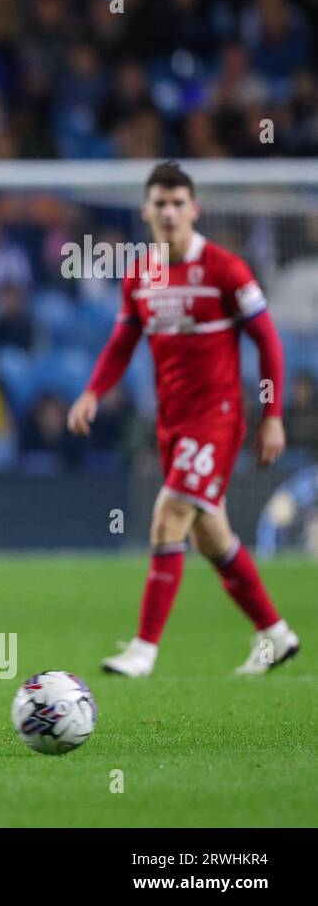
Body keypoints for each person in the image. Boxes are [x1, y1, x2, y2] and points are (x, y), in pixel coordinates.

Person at [67, 161, 300, 677]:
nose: (169, 212)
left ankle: (143, 651)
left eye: (178, 203)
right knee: (209, 536)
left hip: (215, 419)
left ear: (194, 209)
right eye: (160, 203)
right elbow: (123, 341)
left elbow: (268, 342)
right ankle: (276, 635)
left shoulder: (225, 269)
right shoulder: (140, 274)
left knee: (168, 514)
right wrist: (93, 392)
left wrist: (273, 416)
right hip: (171, 422)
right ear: (146, 211)